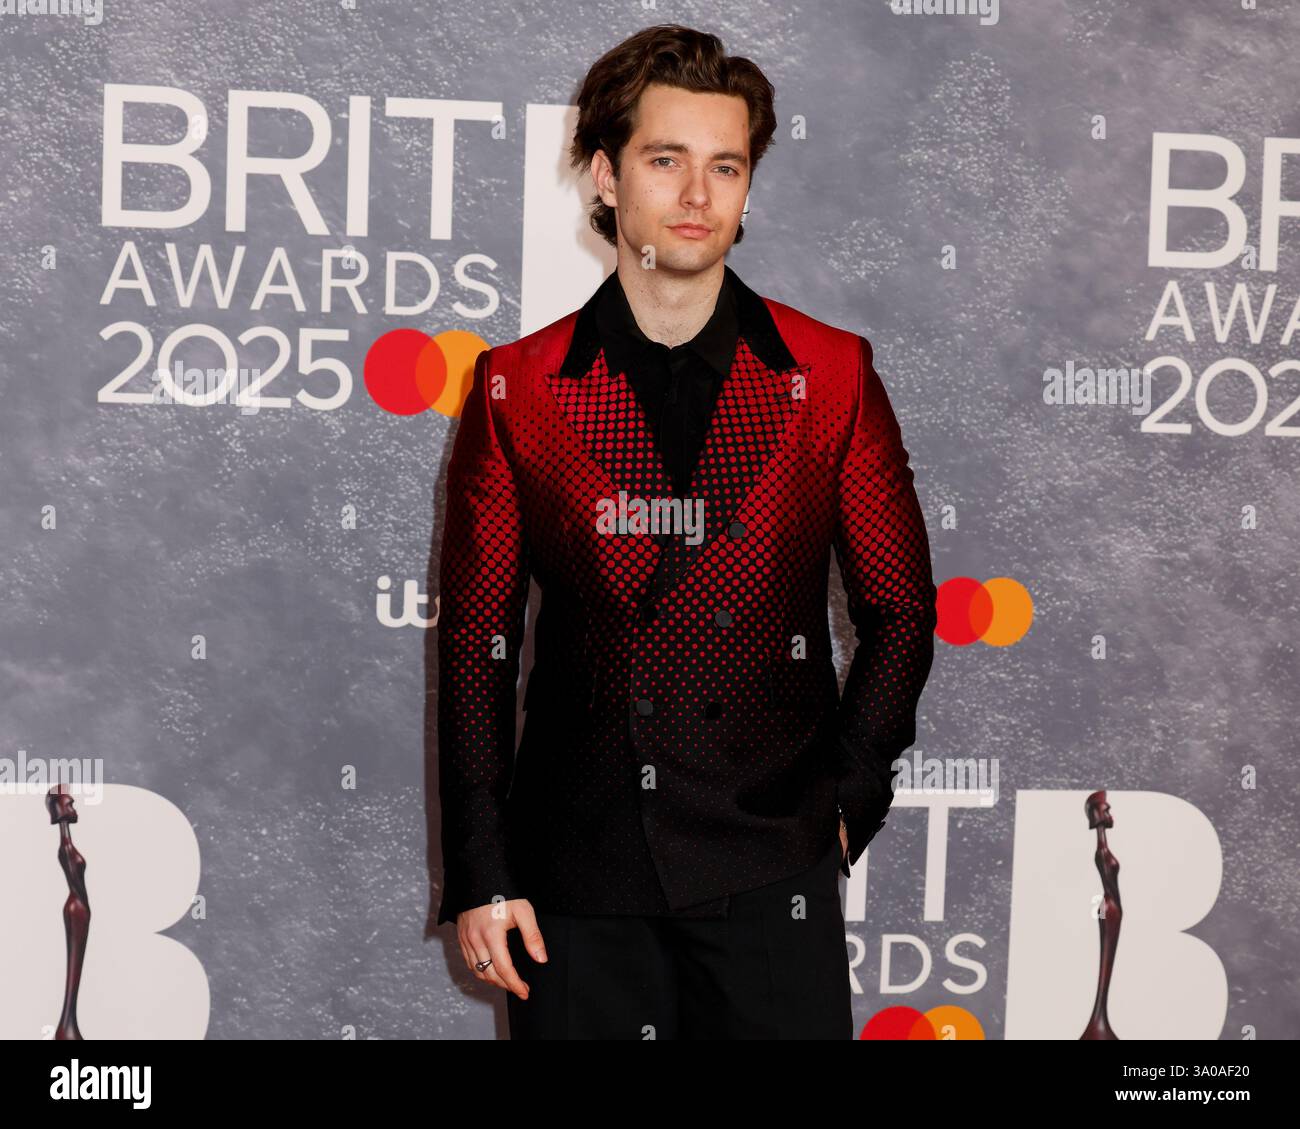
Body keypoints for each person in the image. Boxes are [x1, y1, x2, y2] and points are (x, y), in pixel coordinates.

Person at [426, 23, 937, 1039]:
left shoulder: (828, 375)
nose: (698, 194)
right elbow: (477, 644)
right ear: (606, 176)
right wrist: (484, 868)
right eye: (666, 160)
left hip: (769, 866)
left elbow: (901, 608)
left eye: (726, 166)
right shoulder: (519, 387)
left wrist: (845, 799)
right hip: (577, 878)